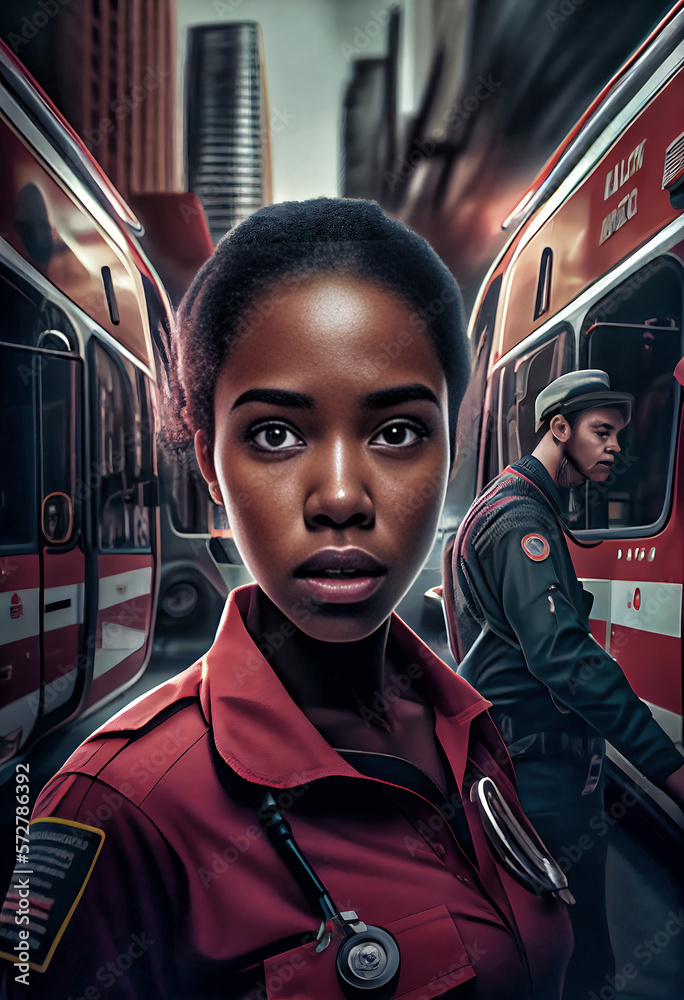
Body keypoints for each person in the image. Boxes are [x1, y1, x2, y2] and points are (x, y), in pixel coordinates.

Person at [0, 198, 573, 1000]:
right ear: (209, 463)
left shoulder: (468, 723)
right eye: (275, 434)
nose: (340, 497)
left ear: (452, 449)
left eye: (397, 432)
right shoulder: (116, 807)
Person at [443, 369, 684, 1000]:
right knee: (578, 949)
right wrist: (668, 766)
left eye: (618, 435)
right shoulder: (520, 520)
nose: (614, 447)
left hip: (525, 758)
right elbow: (564, 657)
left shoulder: (511, 501)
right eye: (601, 432)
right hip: (543, 773)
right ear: (558, 429)